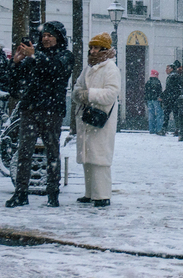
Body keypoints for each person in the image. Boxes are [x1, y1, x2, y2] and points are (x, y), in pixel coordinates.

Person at [7, 21, 73, 208]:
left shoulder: (65, 56)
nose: (46, 38)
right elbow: (14, 83)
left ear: (59, 37)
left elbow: (56, 70)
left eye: (50, 35)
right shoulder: (35, 57)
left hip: (52, 110)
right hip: (30, 109)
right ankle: (21, 192)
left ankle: (53, 193)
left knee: (52, 152)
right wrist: (15, 63)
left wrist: (35, 56)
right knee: (24, 152)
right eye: (44, 35)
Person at [73, 33, 120, 208]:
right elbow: (77, 86)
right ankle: (90, 192)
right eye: (91, 48)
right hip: (86, 117)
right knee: (88, 156)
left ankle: (102, 195)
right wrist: (79, 94)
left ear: (104, 49)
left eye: (96, 48)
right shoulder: (88, 68)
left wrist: (89, 95)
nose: (92, 51)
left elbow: (111, 93)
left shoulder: (110, 68)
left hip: (101, 118)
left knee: (100, 158)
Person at [161, 60, 183, 133]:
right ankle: (177, 129)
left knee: (167, 114)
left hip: (171, 98)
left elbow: (169, 88)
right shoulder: (176, 76)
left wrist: (163, 96)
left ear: (171, 69)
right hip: (174, 98)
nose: (166, 70)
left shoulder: (172, 77)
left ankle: (165, 129)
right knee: (175, 114)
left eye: (168, 68)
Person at [144, 69, 163, 134]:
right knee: (159, 114)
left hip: (149, 99)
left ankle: (151, 129)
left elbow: (146, 91)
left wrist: (146, 98)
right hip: (156, 99)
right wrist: (159, 97)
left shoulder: (148, 82)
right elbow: (159, 91)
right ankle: (159, 129)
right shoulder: (157, 82)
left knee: (151, 114)